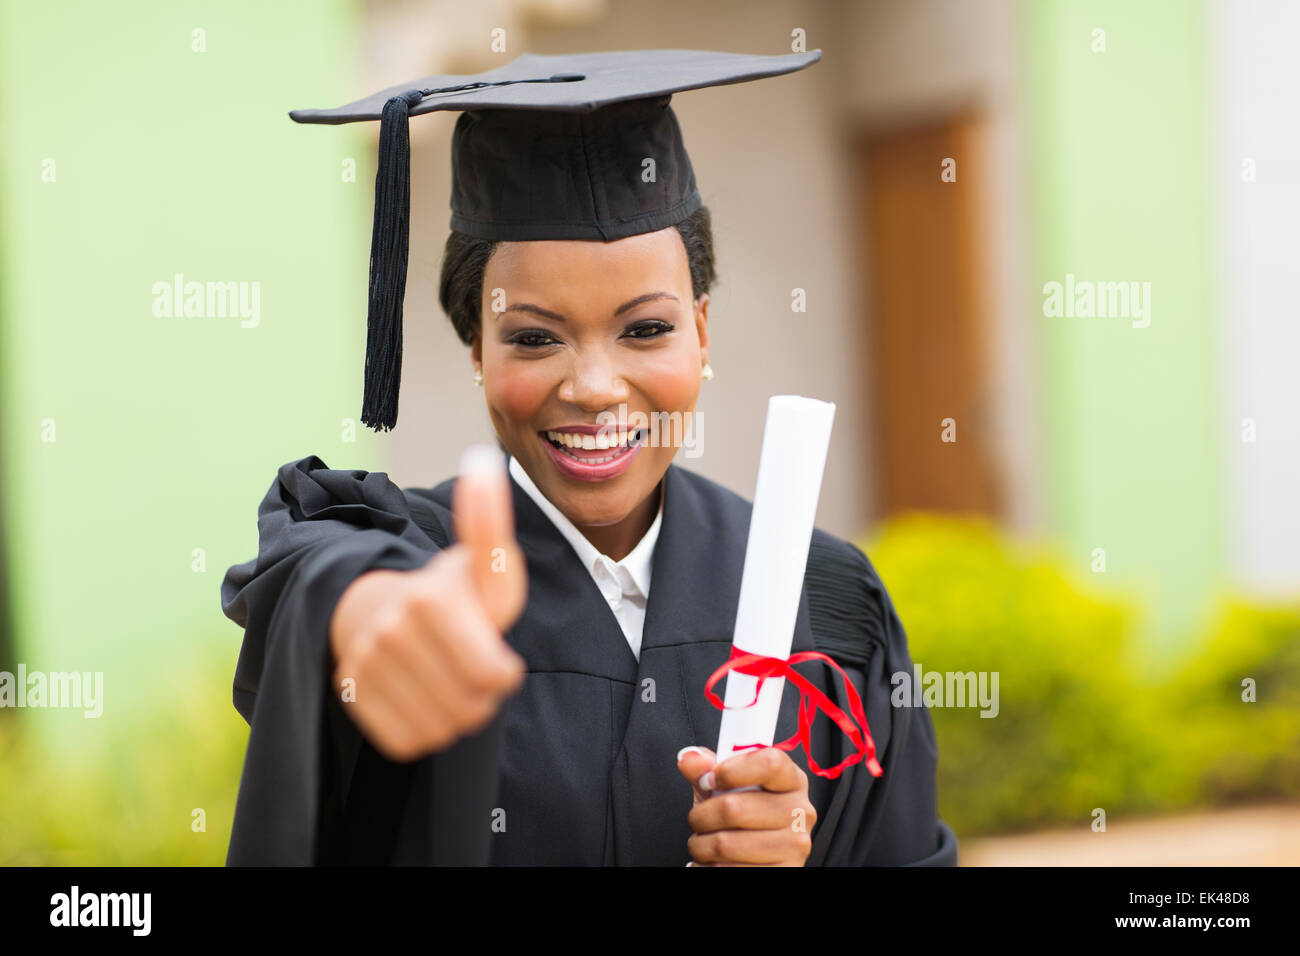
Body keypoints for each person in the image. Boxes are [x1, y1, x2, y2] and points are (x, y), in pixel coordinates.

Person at [220, 48, 958, 866]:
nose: (597, 388)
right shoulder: (410, 560)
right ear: (476, 347)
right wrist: (360, 614)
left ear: (703, 331)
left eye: (647, 329)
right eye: (534, 338)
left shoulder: (822, 600)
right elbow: (318, 569)